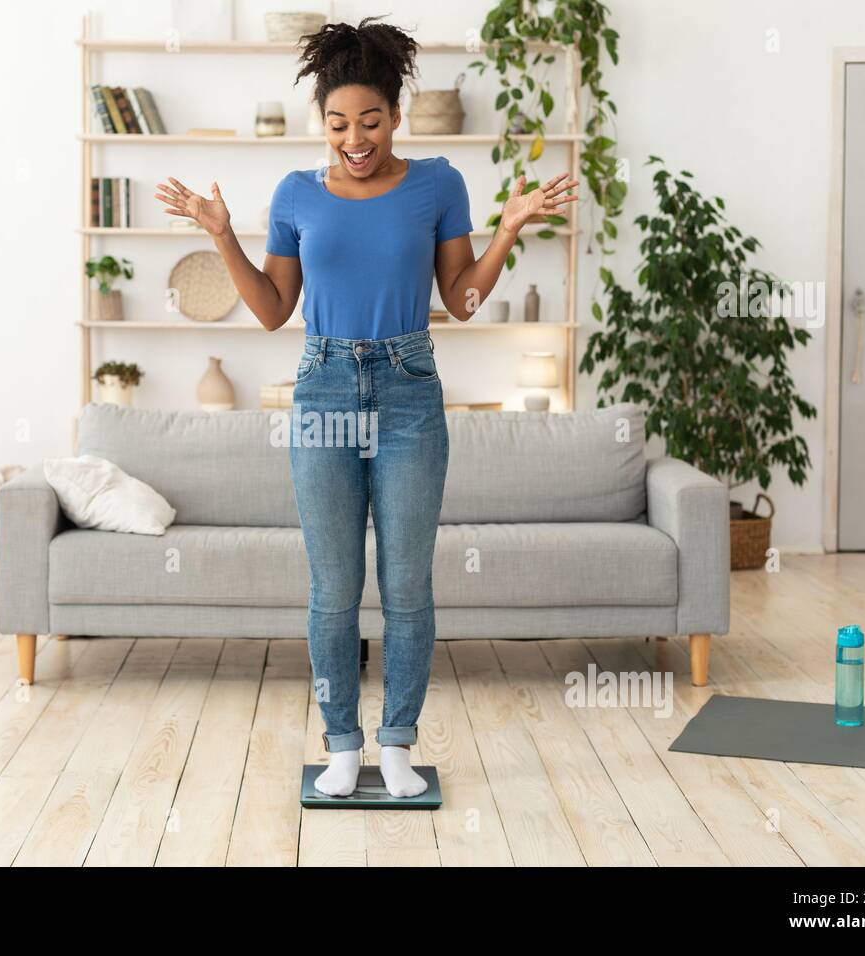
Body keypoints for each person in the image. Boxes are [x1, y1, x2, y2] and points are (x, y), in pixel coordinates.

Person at [154, 16, 578, 797]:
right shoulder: (294, 194)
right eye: (339, 124)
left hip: (409, 388)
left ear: (395, 115)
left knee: (408, 585)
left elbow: (465, 299)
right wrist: (222, 236)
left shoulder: (438, 185)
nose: (355, 139)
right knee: (333, 587)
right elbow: (275, 311)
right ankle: (342, 741)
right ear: (323, 122)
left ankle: (397, 745)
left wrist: (509, 228)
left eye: (371, 122)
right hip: (322, 388)